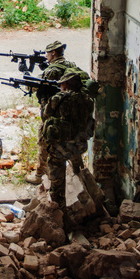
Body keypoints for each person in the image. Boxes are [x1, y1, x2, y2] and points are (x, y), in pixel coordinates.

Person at [26, 40, 88, 185]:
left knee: (44, 141)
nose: (46, 56)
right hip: (73, 113)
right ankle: (79, 173)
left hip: (56, 112)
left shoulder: (51, 70)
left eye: (47, 53)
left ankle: (39, 175)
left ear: (53, 52)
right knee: (74, 140)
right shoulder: (70, 65)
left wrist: (25, 72)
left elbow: (33, 87)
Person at [42, 71, 100, 210]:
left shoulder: (59, 98)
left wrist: (45, 100)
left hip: (61, 147)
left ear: (66, 84)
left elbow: (45, 113)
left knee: (57, 175)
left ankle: (59, 207)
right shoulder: (88, 100)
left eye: (62, 83)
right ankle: (88, 199)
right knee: (78, 169)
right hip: (79, 146)